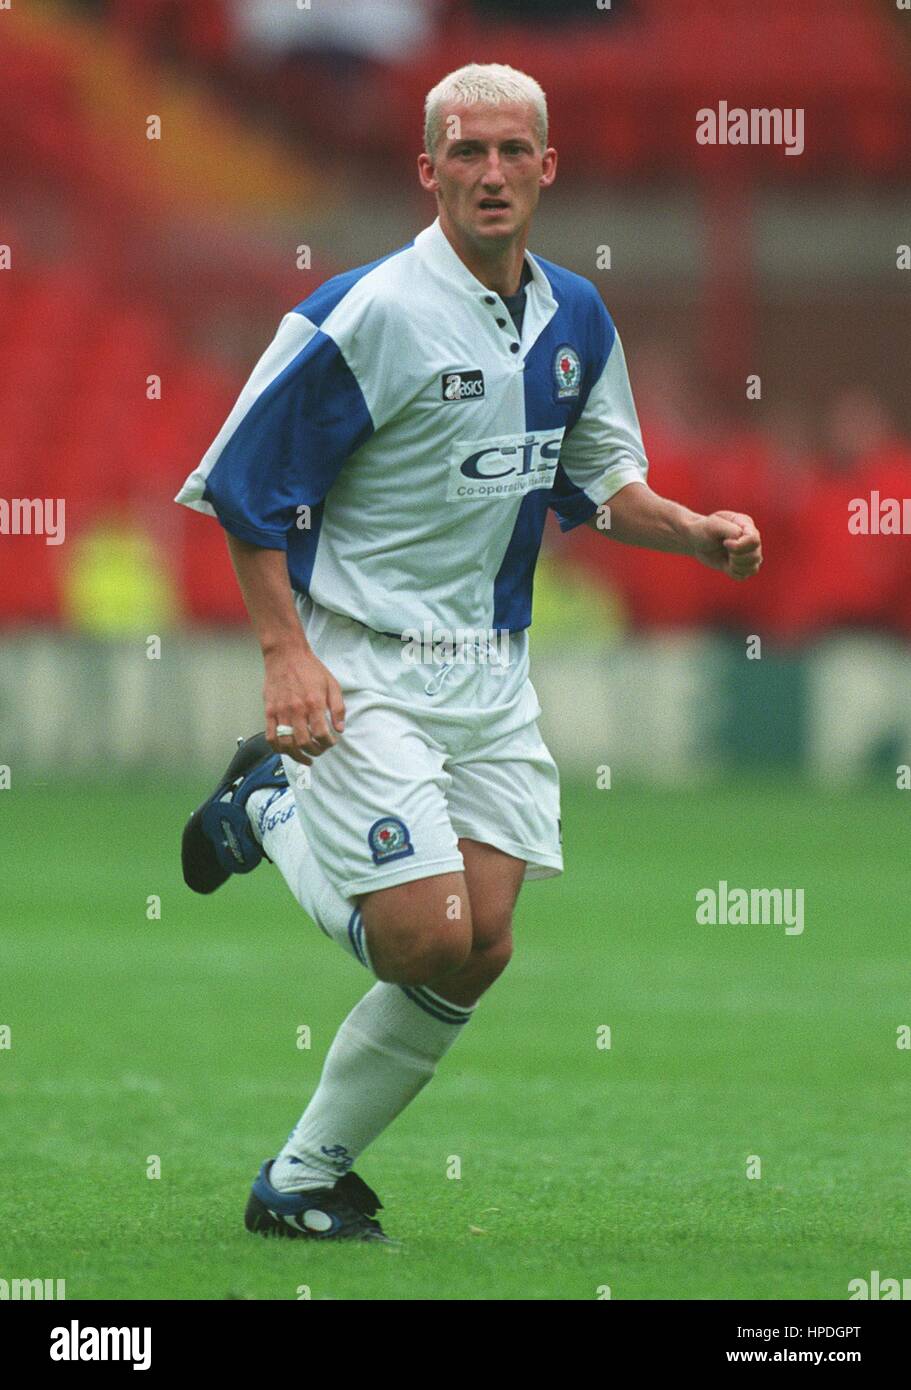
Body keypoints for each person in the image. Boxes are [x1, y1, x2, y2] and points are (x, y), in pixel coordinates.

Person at [174, 62, 763, 1243]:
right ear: (427, 167)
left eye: (510, 152)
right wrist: (287, 656)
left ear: (546, 166)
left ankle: (299, 1181)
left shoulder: (574, 317)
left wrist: (691, 531)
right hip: (367, 661)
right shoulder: (369, 312)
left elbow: (602, 479)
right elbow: (243, 489)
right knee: (422, 935)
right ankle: (272, 807)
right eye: (466, 151)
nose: (489, 173)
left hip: (489, 672)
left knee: (478, 947)